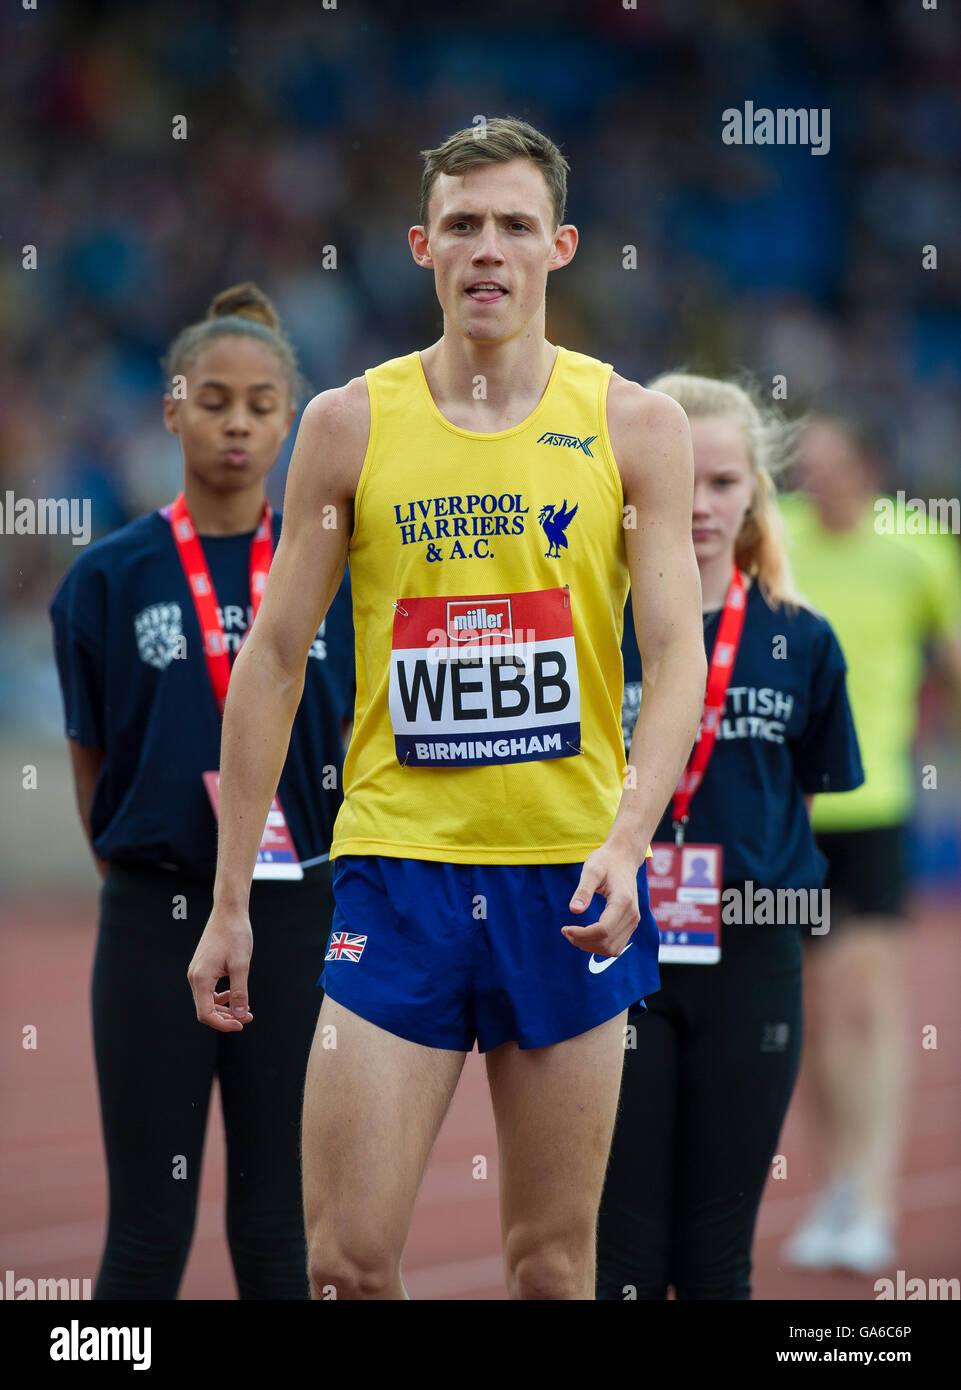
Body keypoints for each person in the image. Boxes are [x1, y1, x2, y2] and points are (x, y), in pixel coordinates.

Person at [187, 116, 708, 1301]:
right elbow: (270, 661)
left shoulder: (636, 427)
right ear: (421, 245)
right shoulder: (346, 425)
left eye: (514, 225)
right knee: (345, 1264)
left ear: (560, 246)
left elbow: (675, 652)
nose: (488, 247)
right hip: (397, 875)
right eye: (462, 224)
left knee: (548, 1266)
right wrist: (230, 903)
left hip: (568, 879)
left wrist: (629, 843)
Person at [49, 283, 355, 1299]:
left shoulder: (337, 575)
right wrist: (147, 868)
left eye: (262, 404)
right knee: (145, 1231)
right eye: (213, 398)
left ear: (292, 417)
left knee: (278, 1228)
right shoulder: (106, 579)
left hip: (301, 913)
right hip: (154, 916)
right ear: (172, 406)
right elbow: (94, 759)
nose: (237, 422)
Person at [596, 373, 864, 1300]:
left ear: (756, 490)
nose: (700, 506)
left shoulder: (803, 639)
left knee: (715, 1264)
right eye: (680, 479)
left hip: (753, 965)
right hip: (612, 959)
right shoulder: (591, 630)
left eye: (723, 482)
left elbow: (809, 796)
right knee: (621, 1263)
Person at [779, 415, 961, 1274]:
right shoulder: (777, 536)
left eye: (830, 464)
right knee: (816, 1015)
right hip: (789, 817)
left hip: (878, 806)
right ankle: (836, 1190)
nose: (815, 478)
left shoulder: (918, 548)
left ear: (868, 466)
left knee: (867, 1005)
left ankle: (878, 1197)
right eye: (804, 465)